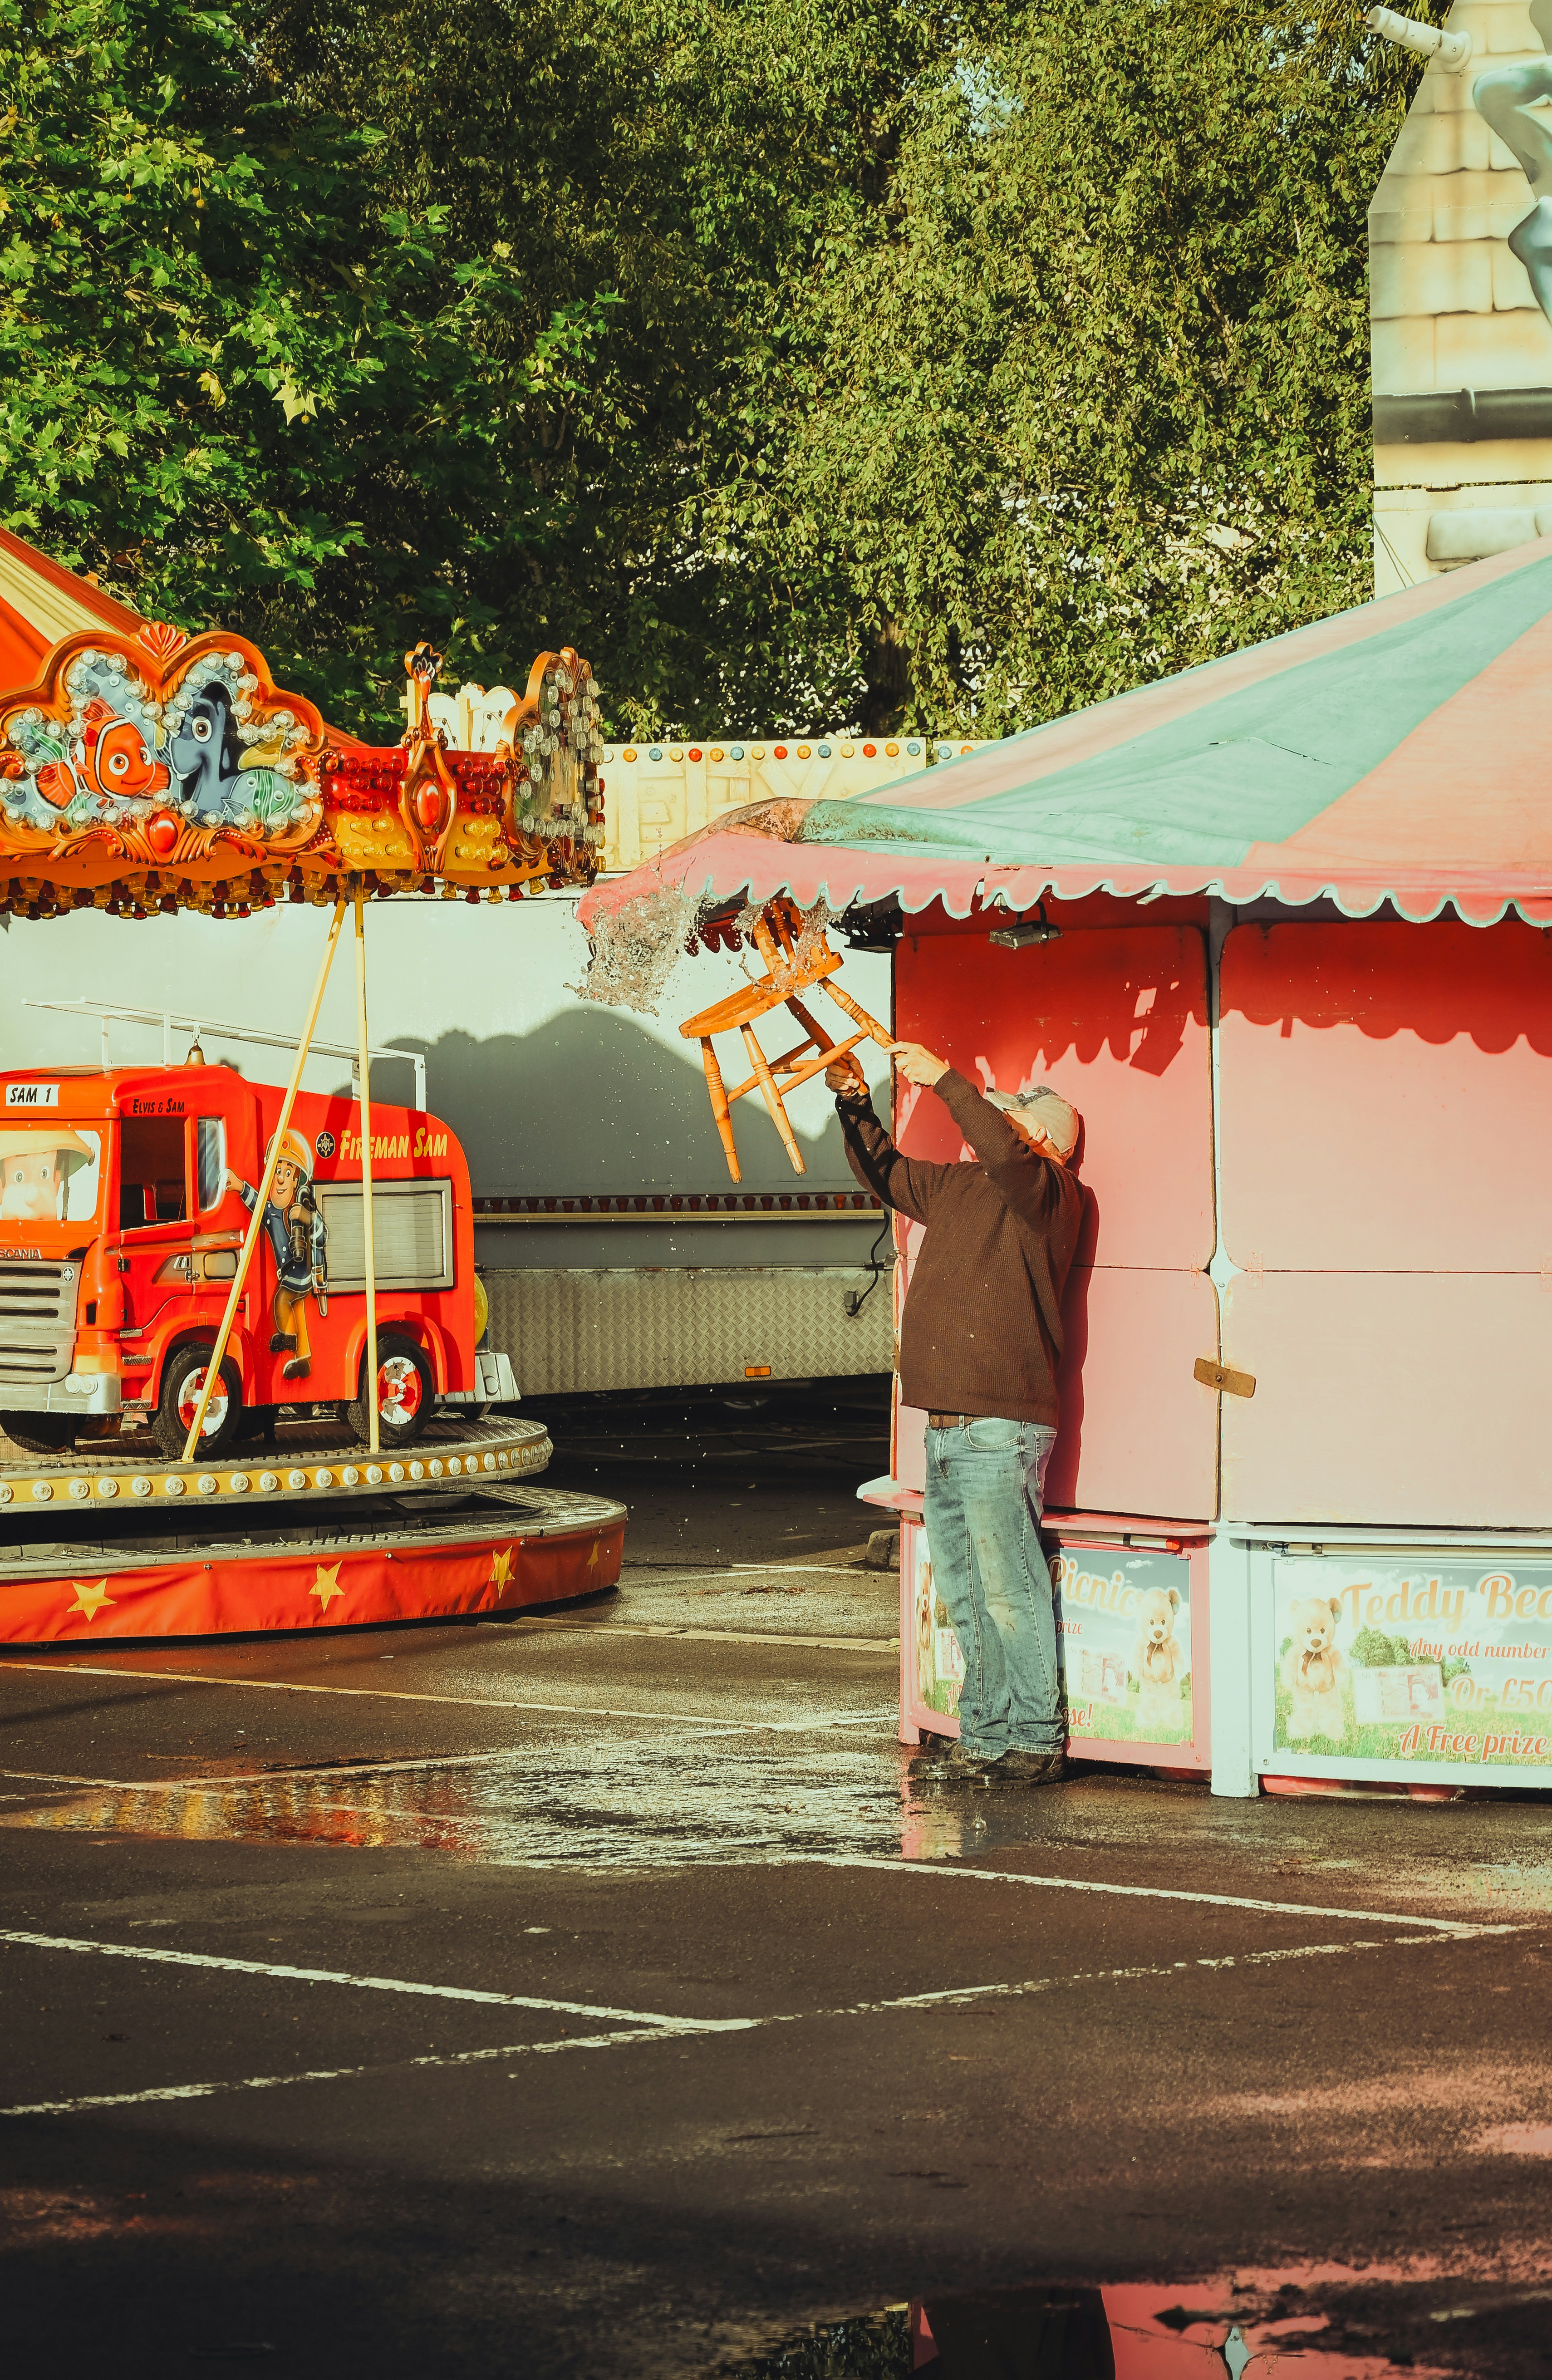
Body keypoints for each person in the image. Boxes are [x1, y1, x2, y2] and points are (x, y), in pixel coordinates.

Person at [829, 1039, 1083, 1788]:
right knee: (973, 1593)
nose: (990, 1123)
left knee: (1007, 1588)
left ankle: (1034, 1737)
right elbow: (886, 1171)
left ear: (1037, 1138)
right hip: (948, 1424)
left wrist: (946, 1079)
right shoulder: (962, 1189)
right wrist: (854, 1104)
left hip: (997, 1426)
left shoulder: (1051, 1195)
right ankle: (990, 1736)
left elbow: (1004, 1155)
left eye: (1007, 1117)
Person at [226, 1129, 328, 1382]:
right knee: (299, 1308)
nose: (281, 1179)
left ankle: (289, 1337)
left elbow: (322, 1234)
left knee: (282, 1300)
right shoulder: (271, 1212)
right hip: (289, 1272)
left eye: (288, 1172)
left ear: (296, 1182)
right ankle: (303, 1357)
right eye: (277, 1172)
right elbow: (257, 1202)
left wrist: (305, 1218)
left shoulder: (300, 1210)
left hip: (302, 1270)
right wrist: (240, 1186)